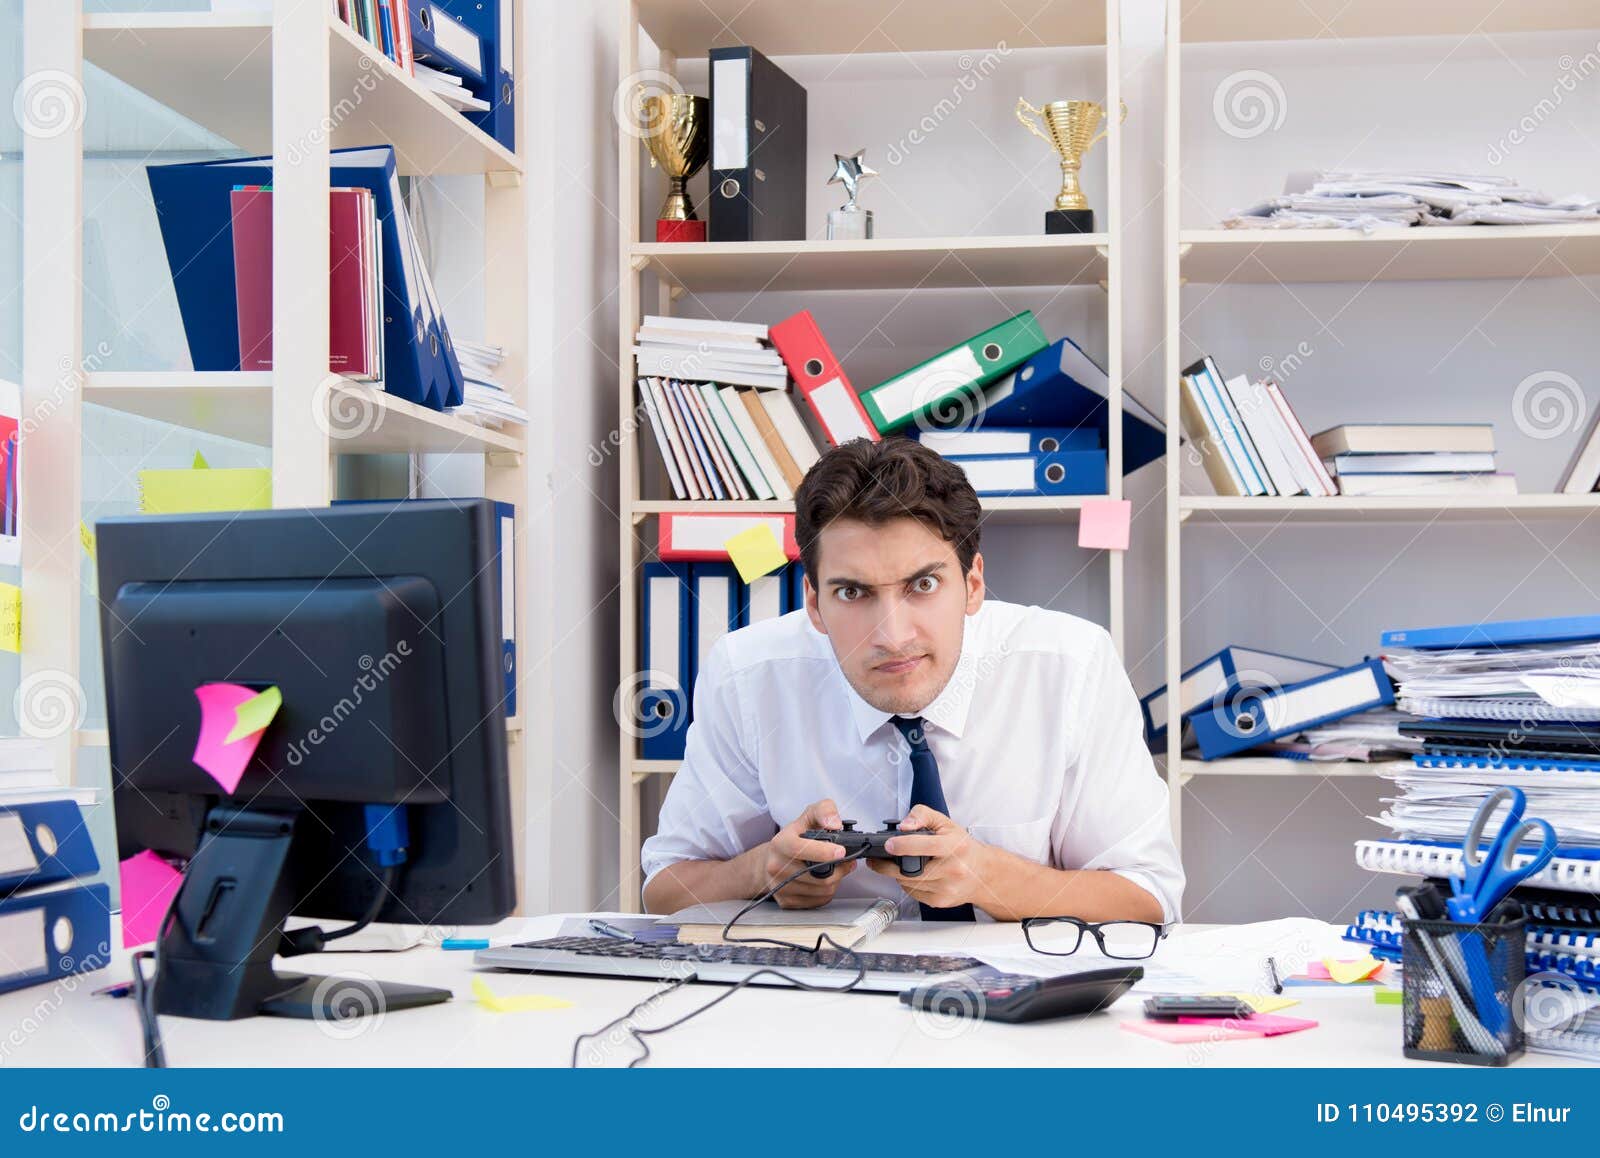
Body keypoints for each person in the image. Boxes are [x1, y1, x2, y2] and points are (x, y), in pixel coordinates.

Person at [640, 437, 1182, 923]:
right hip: (819, 1010)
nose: (892, 636)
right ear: (815, 603)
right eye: (853, 593)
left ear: (972, 585)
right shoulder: (746, 675)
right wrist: (762, 870)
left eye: (922, 584)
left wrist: (987, 878)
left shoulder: (1071, 664)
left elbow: (1150, 897)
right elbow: (664, 890)